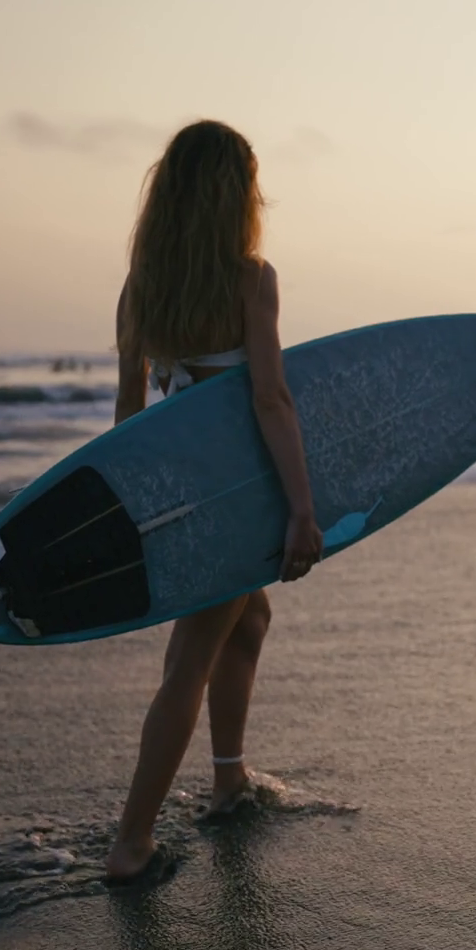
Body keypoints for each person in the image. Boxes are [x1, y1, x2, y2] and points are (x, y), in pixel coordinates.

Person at [104, 121, 324, 884]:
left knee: (249, 619)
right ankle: (132, 844)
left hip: (178, 496)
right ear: (237, 196)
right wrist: (301, 509)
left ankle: (229, 779)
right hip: (235, 500)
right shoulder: (250, 279)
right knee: (187, 664)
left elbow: (128, 417)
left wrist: (135, 513)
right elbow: (271, 399)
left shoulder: (143, 287)